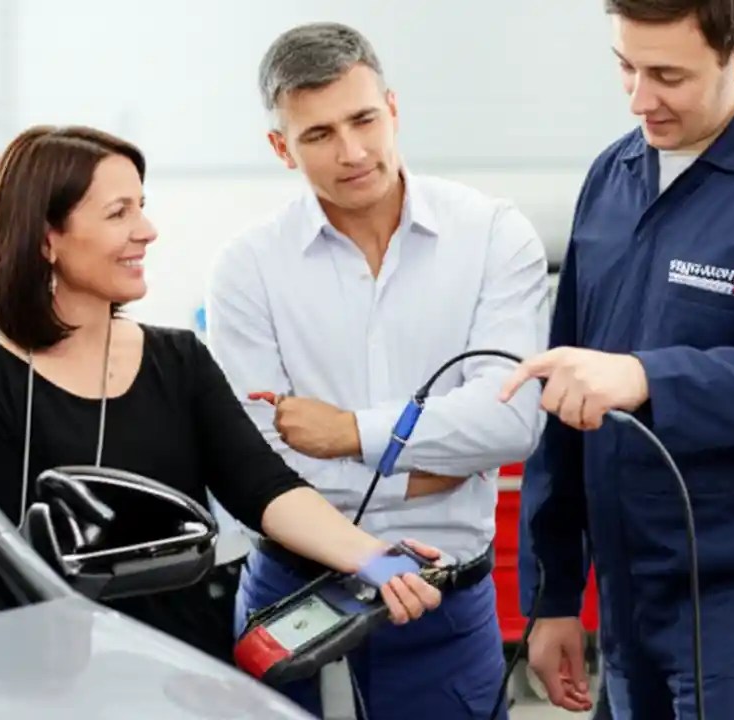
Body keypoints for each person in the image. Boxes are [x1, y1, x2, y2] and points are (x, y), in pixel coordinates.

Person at [497, 1, 734, 718]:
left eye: (668, 75)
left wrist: (647, 376)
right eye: (626, 67)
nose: (641, 98)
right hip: (627, 582)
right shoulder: (613, 177)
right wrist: (553, 593)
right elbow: (567, 393)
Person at [0, 125, 443, 665]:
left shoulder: (178, 360)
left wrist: (377, 560)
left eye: (142, 206)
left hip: (187, 674)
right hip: (60, 687)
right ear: (45, 239)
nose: (147, 230)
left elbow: (265, 489)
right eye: (118, 213)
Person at [204, 22, 549, 719]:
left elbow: (511, 423)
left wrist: (348, 434)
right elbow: (255, 461)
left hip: (441, 609)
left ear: (393, 109)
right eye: (318, 134)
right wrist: (440, 465)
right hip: (292, 597)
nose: (352, 151)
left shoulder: (491, 235)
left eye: (363, 119)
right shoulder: (247, 270)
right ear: (281, 147)